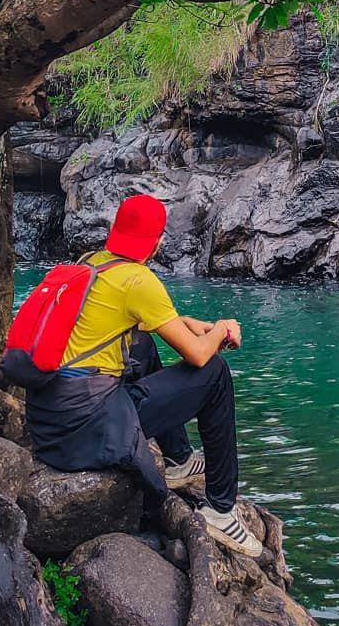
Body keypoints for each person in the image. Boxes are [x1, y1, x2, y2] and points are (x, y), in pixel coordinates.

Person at [24, 193, 262, 557]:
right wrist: (221, 329)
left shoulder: (90, 263)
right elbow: (199, 356)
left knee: (141, 344)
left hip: (49, 422)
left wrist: (187, 323)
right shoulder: (139, 280)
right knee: (215, 373)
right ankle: (220, 509)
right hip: (84, 432)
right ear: (158, 243)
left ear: (113, 230)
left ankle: (179, 460)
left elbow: (132, 320)